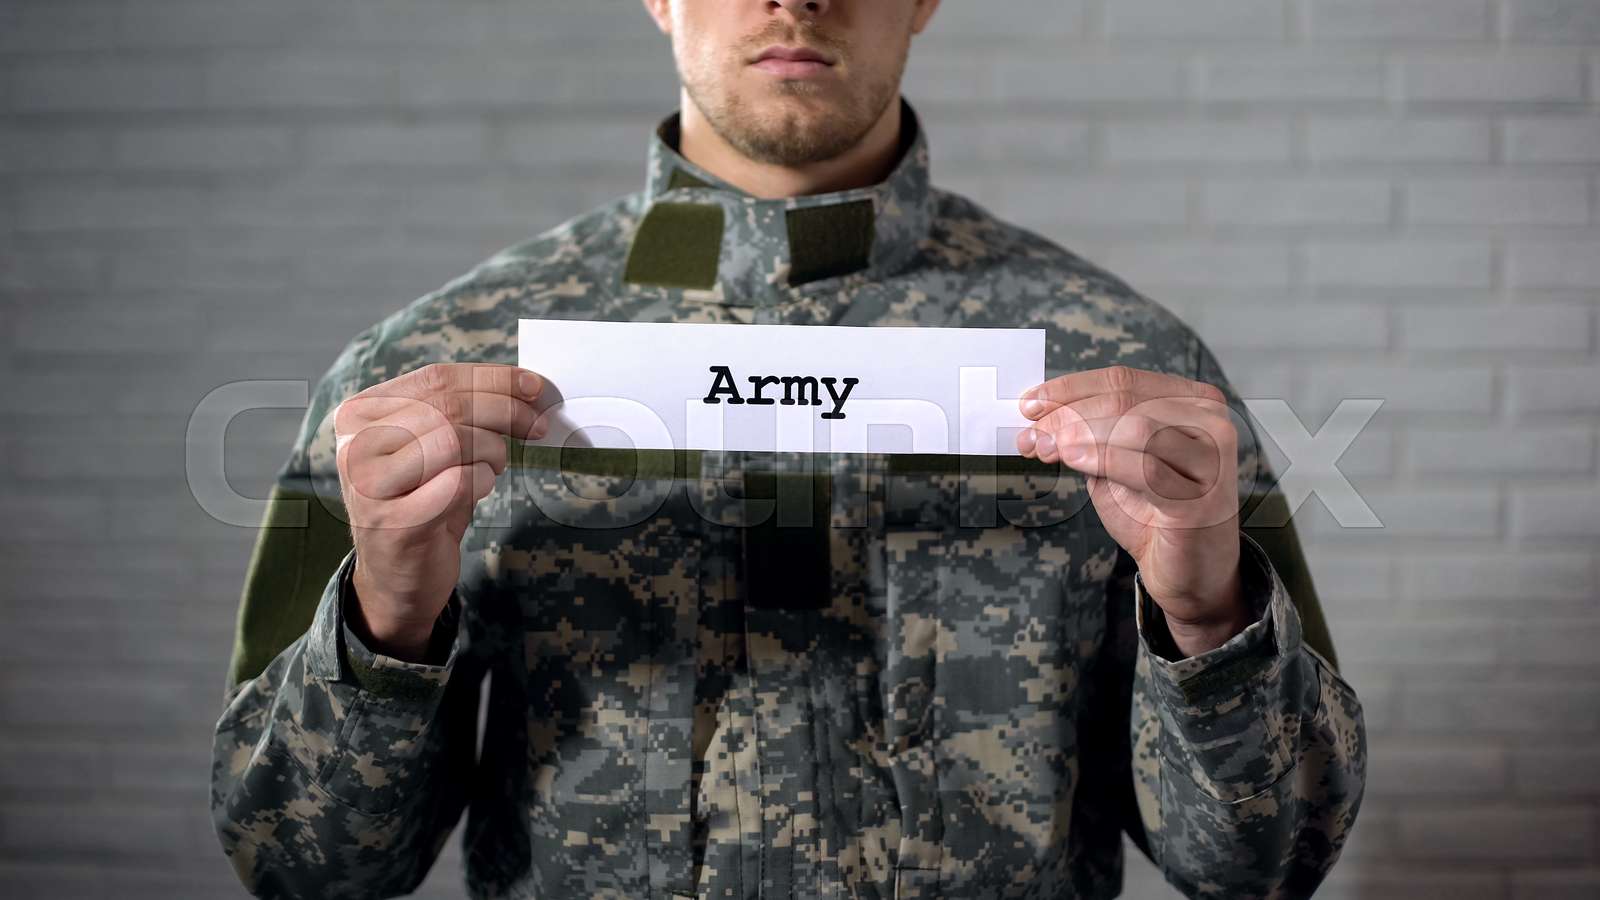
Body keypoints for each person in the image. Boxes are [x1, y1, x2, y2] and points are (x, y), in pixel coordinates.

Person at [210, 1, 1366, 898]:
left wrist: (1210, 622)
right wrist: (385, 622)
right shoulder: (431, 369)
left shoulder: (1124, 370)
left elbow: (1260, 869)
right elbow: (307, 871)